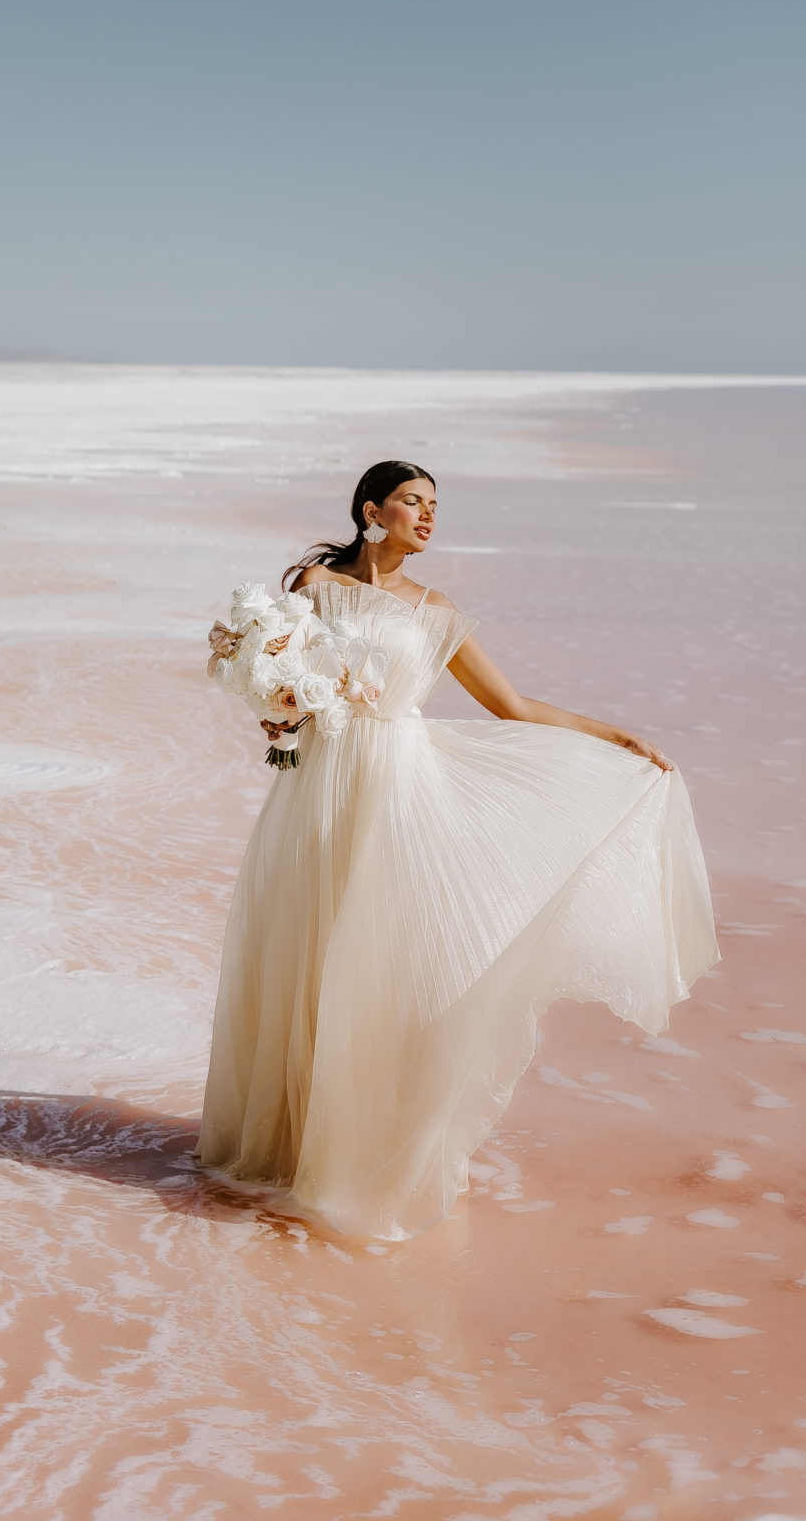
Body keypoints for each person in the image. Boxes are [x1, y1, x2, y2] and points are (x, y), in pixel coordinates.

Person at [198, 459, 717, 1239]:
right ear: (372, 510)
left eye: (435, 504)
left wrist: (613, 736)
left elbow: (510, 705)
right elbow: (274, 674)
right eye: (412, 501)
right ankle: (285, 1150)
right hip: (315, 792)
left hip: (398, 794)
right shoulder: (312, 586)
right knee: (301, 953)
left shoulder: (437, 612)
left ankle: (368, 1149)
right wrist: (274, 706)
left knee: (384, 964)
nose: (427, 515)